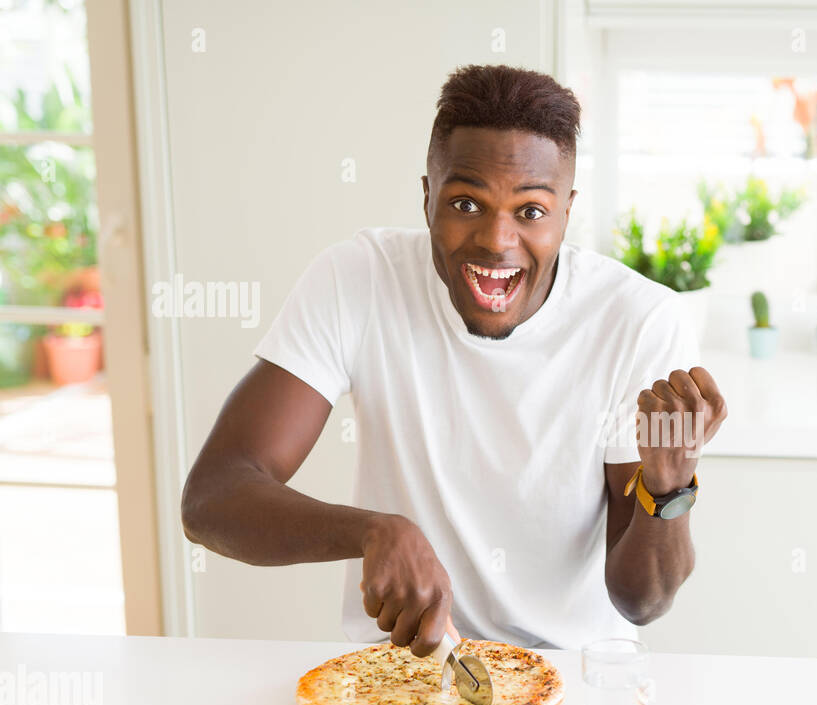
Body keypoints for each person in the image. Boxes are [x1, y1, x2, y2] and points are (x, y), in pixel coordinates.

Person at [181, 64, 727, 658]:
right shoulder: (359, 278)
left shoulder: (639, 321)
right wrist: (371, 530)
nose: (497, 239)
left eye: (531, 211)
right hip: (403, 669)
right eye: (466, 203)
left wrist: (668, 488)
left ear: (567, 214)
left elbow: (639, 603)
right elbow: (214, 498)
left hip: (568, 673)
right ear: (426, 198)